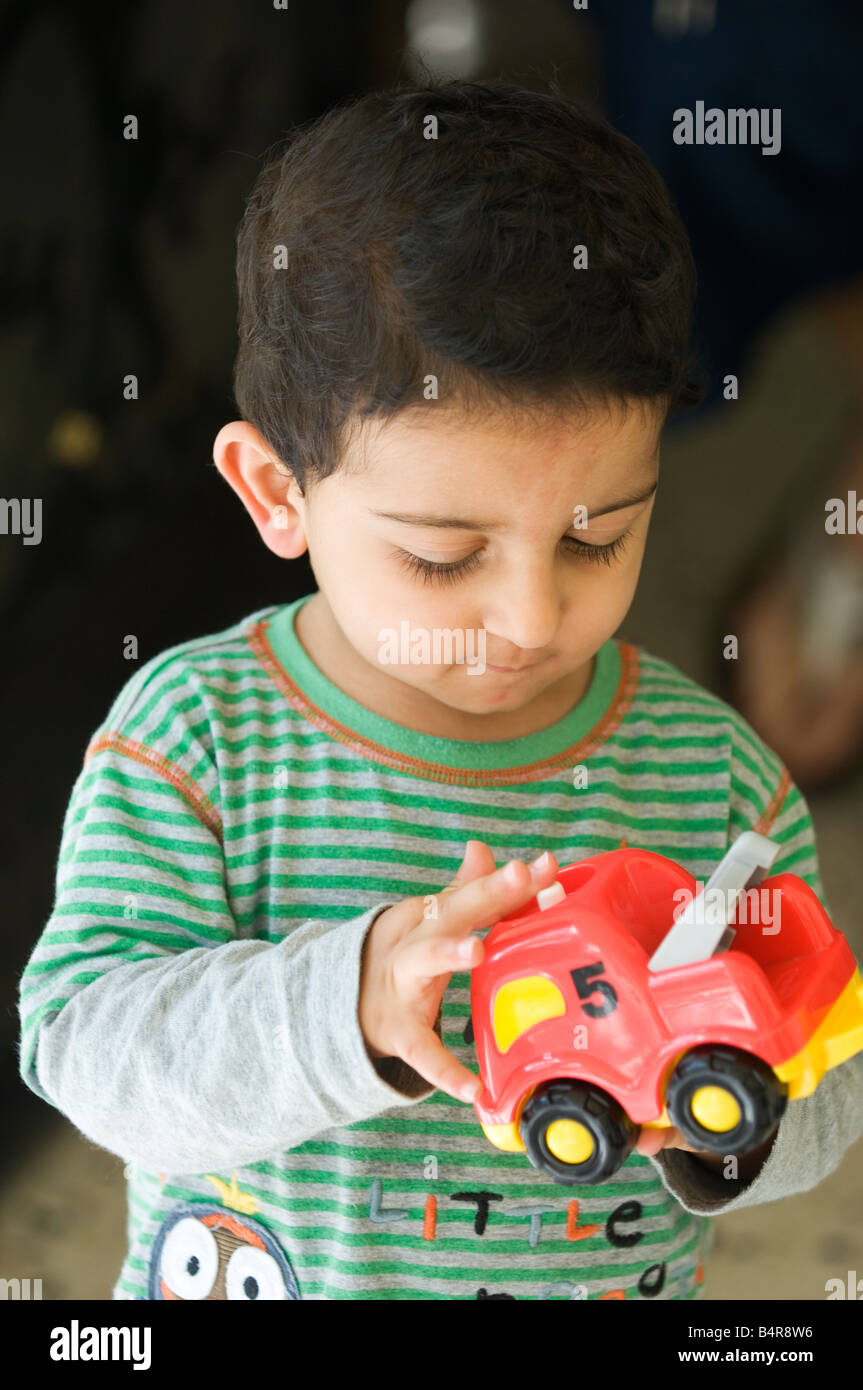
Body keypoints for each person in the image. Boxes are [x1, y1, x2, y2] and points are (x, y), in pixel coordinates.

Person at [17, 78, 863, 1301]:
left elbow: (828, 1078)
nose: (529, 618)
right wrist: (343, 1005)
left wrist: (733, 1107)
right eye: (440, 554)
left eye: (596, 538)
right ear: (276, 493)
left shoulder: (718, 781)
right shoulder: (196, 743)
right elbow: (86, 1052)